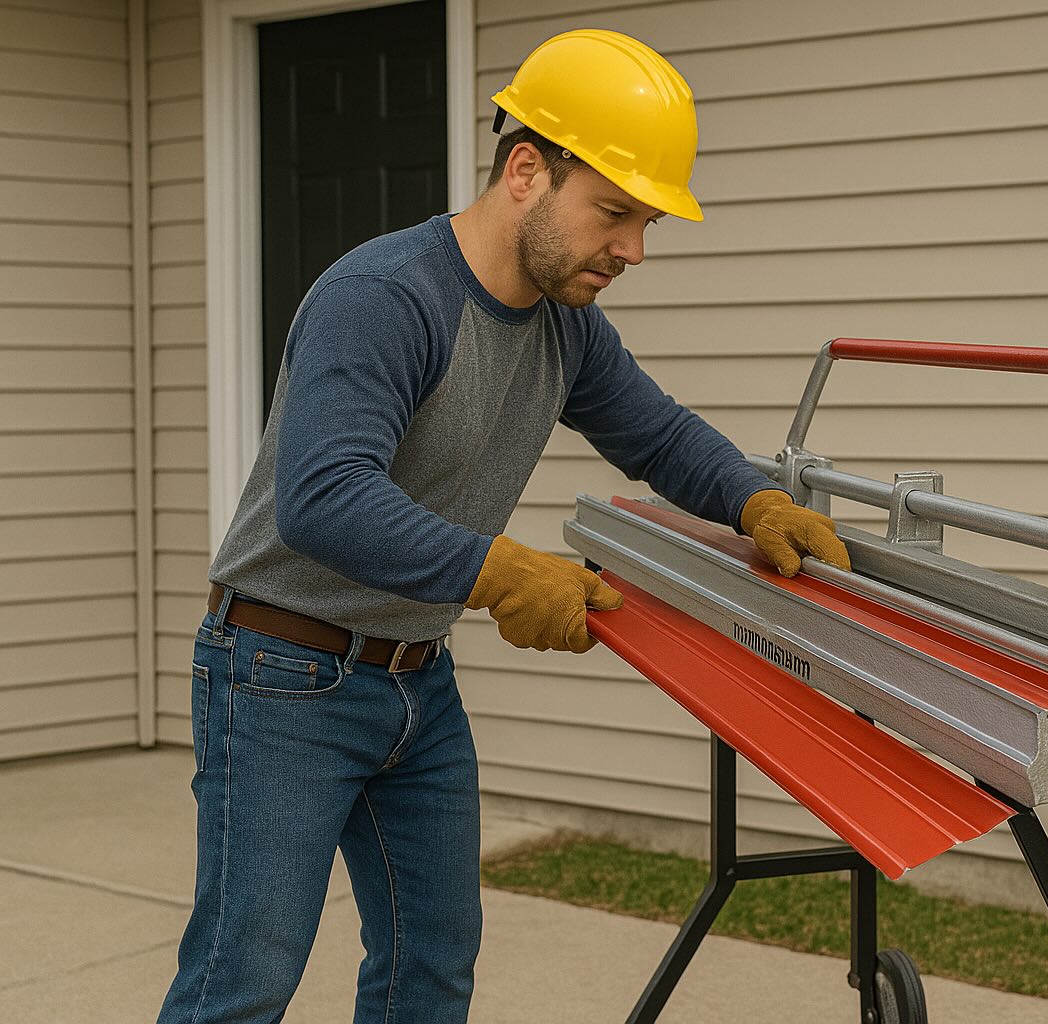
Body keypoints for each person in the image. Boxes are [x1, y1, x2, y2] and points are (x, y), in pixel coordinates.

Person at [156, 28, 849, 1024]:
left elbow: (657, 434)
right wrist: (503, 573)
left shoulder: (567, 326)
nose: (634, 250)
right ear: (527, 171)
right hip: (281, 675)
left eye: (647, 221)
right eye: (615, 212)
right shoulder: (383, 298)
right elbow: (324, 496)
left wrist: (756, 502)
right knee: (242, 985)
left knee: (432, 969)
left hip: (417, 679)